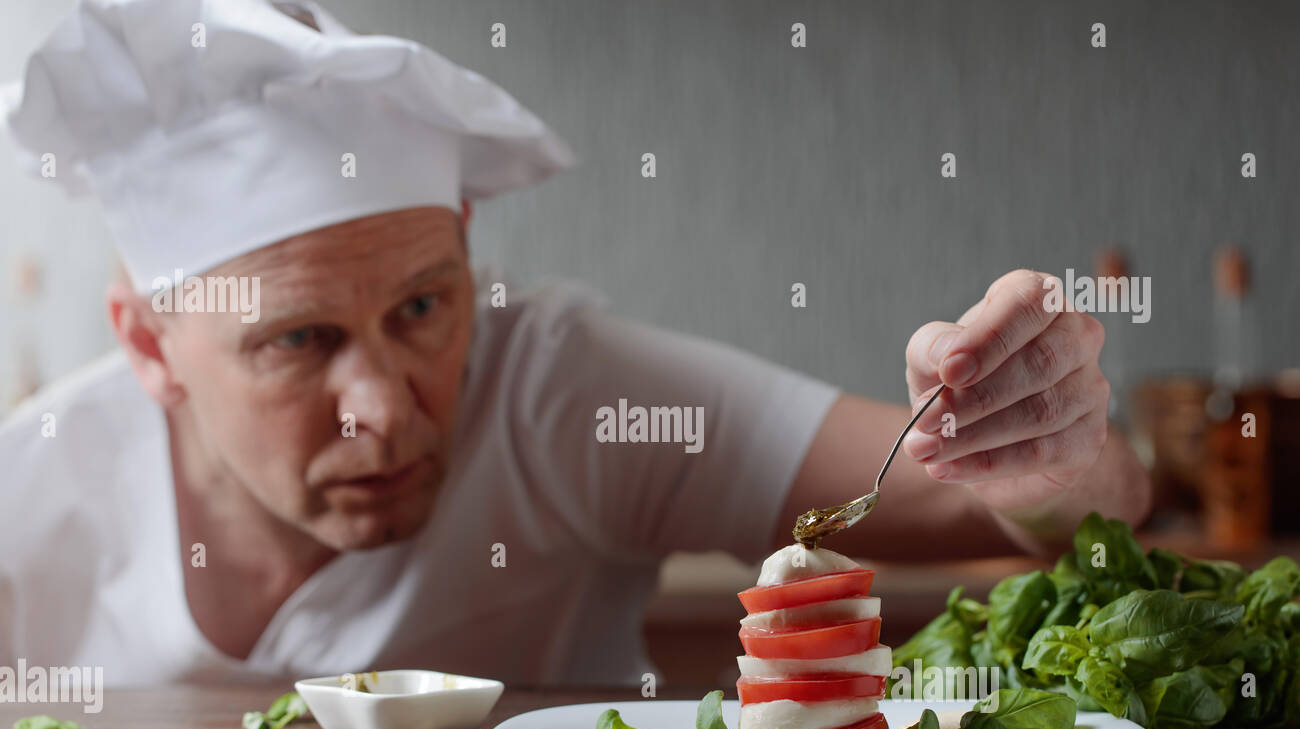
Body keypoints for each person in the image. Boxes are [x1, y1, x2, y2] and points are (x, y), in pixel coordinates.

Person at [0, 0, 1149, 688]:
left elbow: (1054, 512)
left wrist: (1042, 446)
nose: (389, 409)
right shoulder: (32, 491)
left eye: (420, 309)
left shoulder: (568, 397)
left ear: (464, 247)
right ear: (150, 346)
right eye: (299, 341)